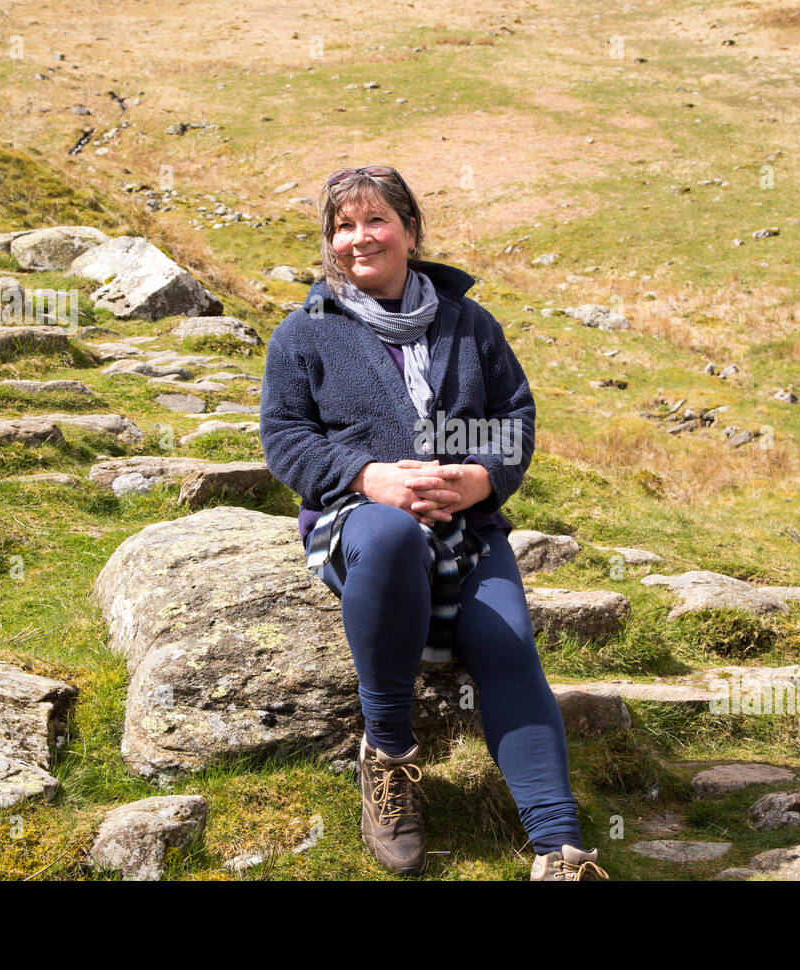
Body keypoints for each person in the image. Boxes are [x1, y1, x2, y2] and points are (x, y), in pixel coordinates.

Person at [259, 165, 607, 881]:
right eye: (343, 226)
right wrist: (368, 477)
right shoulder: (303, 333)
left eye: (375, 220)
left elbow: (515, 420)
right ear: (330, 241)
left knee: (504, 639)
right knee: (388, 536)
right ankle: (387, 755)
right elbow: (286, 439)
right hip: (357, 517)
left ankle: (560, 851)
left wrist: (480, 479)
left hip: (468, 528)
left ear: (411, 231)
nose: (360, 238)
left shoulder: (470, 324)